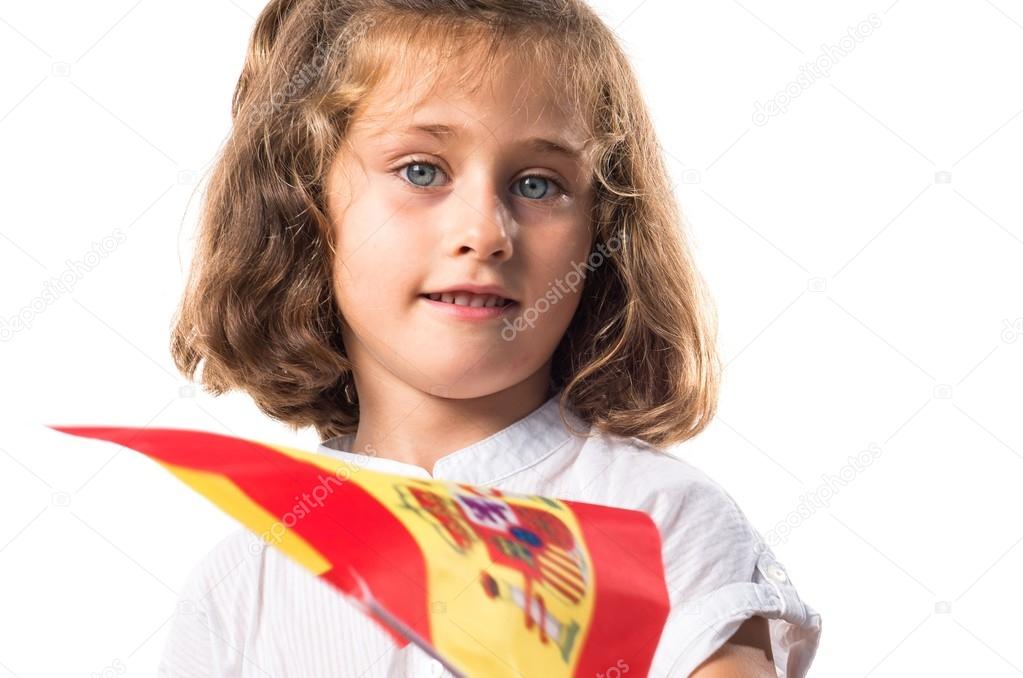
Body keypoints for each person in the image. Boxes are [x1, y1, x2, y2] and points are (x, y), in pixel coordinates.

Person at [163, 1, 822, 675]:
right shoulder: (245, 581)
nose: (485, 231)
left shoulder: (659, 523)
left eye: (537, 184)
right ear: (306, 204)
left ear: (601, 231)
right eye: (421, 170)